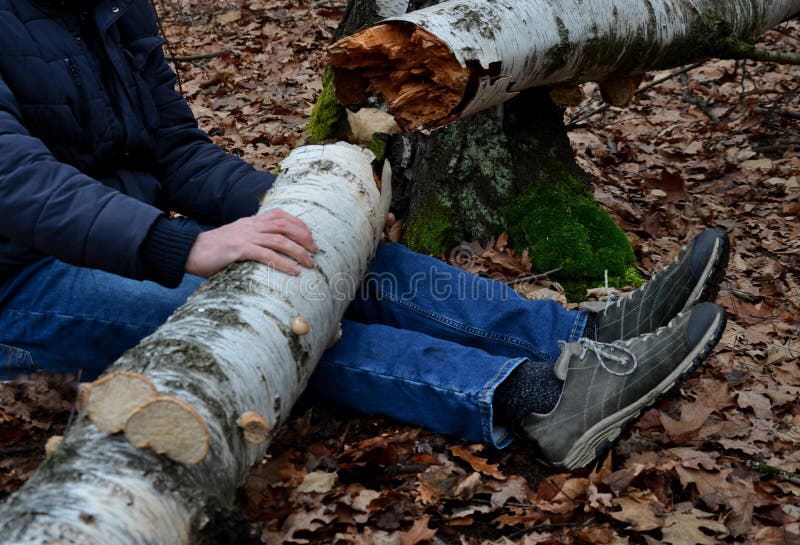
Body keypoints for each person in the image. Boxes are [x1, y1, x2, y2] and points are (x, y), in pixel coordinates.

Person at [0, 0, 729, 469]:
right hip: (22, 281)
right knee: (271, 326)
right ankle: (536, 399)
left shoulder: (111, 6)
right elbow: (14, 179)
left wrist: (313, 212)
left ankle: (581, 329)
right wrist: (178, 245)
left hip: (130, 228)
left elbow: (174, 147)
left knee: (327, 253)